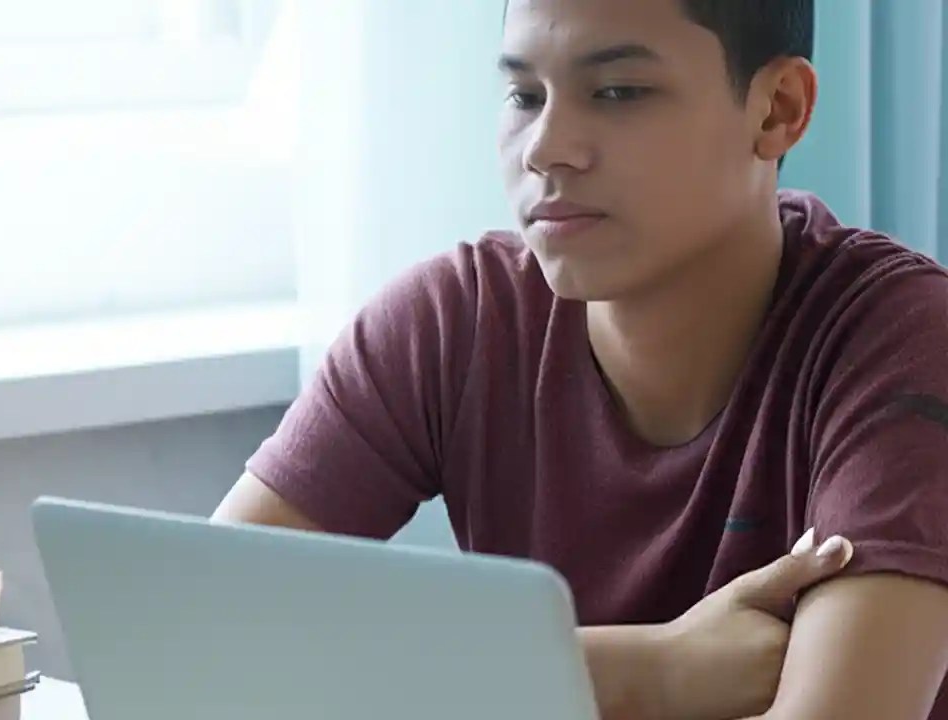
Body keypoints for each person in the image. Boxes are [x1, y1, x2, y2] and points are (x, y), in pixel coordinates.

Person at [214, 0, 948, 718]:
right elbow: (208, 636)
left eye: (618, 91)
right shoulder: (451, 323)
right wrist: (650, 670)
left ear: (776, 109)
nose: (544, 147)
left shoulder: (903, 340)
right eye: (524, 95)